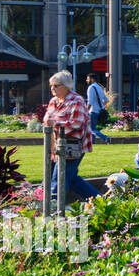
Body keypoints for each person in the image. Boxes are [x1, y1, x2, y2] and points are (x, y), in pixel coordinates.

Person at [43, 70, 99, 203]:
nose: (52, 88)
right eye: (51, 85)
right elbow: (46, 120)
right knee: (71, 178)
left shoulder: (77, 100)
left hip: (72, 146)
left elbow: (77, 124)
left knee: (59, 178)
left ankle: (53, 208)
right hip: (55, 145)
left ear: (66, 86)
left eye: (56, 85)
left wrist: (55, 124)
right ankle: (99, 201)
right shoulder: (53, 101)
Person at [85, 74, 111, 142]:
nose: (87, 80)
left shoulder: (91, 88)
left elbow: (90, 102)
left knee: (91, 129)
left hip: (93, 111)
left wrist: (85, 111)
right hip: (100, 111)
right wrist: (101, 106)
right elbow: (106, 100)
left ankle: (106, 138)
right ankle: (93, 141)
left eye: (88, 79)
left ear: (92, 79)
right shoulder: (100, 87)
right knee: (93, 128)